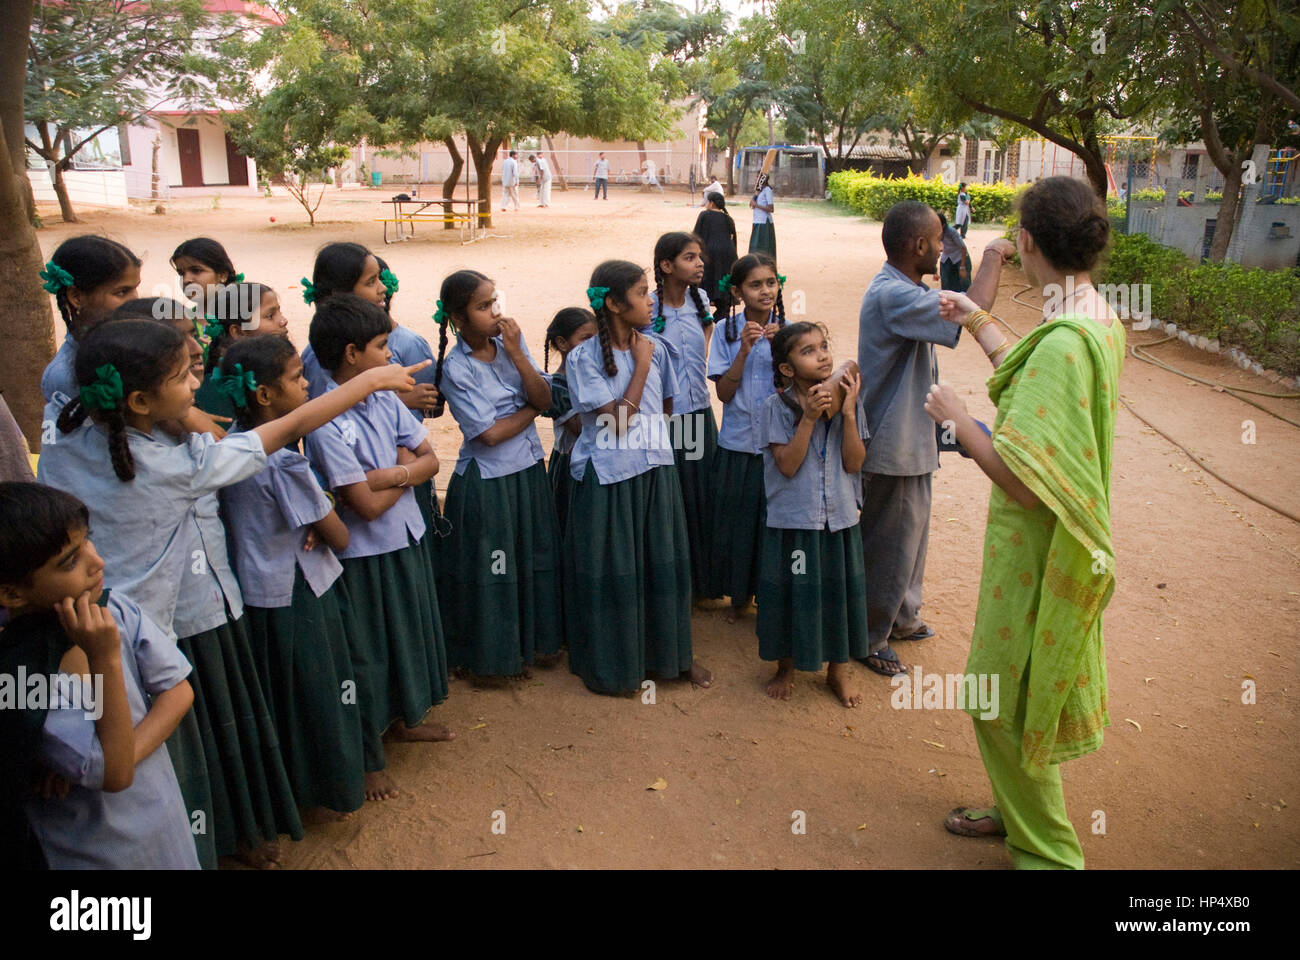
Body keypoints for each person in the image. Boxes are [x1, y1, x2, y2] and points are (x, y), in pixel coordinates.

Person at [37, 315, 427, 864]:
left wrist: (188, 414)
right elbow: (280, 433)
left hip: (86, 634)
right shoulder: (168, 467)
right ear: (142, 402)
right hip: (125, 642)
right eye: (182, 376)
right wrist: (365, 384)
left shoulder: (70, 421)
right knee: (138, 778)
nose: (197, 384)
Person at [924, 175, 1123, 869]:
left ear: (1028, 242)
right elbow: (1031, 376)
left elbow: (1026, 483)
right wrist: (977, 320)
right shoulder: (1093, 318)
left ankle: (1050, 853)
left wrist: (959, 425)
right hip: (1054, 541)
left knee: (999, 695)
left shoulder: (1066, 344)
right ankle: (1016, 812)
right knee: (1015, 689)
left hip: (1039, 544)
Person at [0, 482, 199, 870]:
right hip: (95, 852)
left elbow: (179, 692)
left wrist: (110, 762)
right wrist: (104, 659)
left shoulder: (114, 608)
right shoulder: (21, 676)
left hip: (162, 822)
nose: (97, 562)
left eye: (87, 542)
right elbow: (117, 773)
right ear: (12, 593)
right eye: (69, 561)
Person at [854, 201, 1015, 678]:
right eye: (939, 238)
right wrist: (991, 256)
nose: (944, 246)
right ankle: (868, 635)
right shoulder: (893, 294)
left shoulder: (906, 288)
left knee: (911, 536)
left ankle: (902, 617)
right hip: (892, 441)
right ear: (918, 245)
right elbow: (973, 312)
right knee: (889, 542)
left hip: (910, 437)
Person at [303, 294, 451, 802]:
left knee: (405, 637)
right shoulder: (323, 421)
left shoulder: (386, 398)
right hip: (363, 557)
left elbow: (430, 458)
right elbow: (362, 507)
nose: (391, 355)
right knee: (365, 657)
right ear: (350, 353)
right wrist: (407, 472)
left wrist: (391, 474)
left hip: (405, 537)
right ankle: (367, 758)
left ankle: (404, 720)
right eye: (382, 346)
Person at [216, 335, 367, 823]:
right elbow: (338, 537)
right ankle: (334, 788)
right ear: (265, 395)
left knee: (284, 697)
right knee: (322, 693)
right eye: (297, 379)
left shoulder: (231, 447)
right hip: (301, 592)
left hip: (258, 590)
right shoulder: (284, 461)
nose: (306, 385)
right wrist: (330, 507)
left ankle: (294, 794)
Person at [563, 260, 711, 694]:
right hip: (610, 477)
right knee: (617, 573)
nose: (650, 300)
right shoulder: (583, 359)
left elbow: (664, 411)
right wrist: (642, 364)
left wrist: (648, 358)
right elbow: (614, 424)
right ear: (613, 303)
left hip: (655, 468)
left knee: (664, 568)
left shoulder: (658, 347)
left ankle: (674, 659)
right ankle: (616, 666)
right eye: (642, 292)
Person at [430, 270, 563, 682]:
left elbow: (547, 397)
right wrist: (530, 412)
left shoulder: (511, 345)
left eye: (494, 303)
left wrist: (518, 356)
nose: (494, 313)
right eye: (482, 306)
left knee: (531, 557)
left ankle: (531, 647)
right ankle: (493, 658)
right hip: (488, 483)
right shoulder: (456, 369)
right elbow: (487, 435)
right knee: (494, 570)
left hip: (526, 471)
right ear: (457, 317)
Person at [756, 323, 869, 708]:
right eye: (808, 351)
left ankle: (838, 670)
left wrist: (849, 415)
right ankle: (786, 667)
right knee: (792, 593)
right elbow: (786, 465)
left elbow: (854, 463)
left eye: (824, 347)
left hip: (838, 520)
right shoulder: (774, 407)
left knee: (837, 593)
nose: (822, 355)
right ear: (787, 369)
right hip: (794, 524)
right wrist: (806, 418)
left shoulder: (846, 400)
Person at [707, 253, 786, 622]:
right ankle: (739, 595)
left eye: (771, 282)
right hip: (738, 444)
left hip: (777, 447)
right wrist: (744, 349)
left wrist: (783, 346)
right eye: (755, 285)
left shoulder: (792, 330)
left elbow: (797, 391)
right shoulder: (725, 331)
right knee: (739, 523)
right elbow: (723, 393)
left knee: (773, 523)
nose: (765, 291)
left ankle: (769, 594)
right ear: (738, 291)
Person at [649, 232, 719, 600]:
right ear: (666, 266)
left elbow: (705, 334)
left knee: (702, 494)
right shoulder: (645, 307)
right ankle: (675, 583)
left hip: (699, 413)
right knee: (673, 498)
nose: (700, 263)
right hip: (667, 419)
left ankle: (703, 580)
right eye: (690, 257)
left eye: (699, 256)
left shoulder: (701, 300)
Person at [39, 235, 142, 404]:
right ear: (76, 297)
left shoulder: (132, 344)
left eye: (135, 288)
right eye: (122, 292)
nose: (135, 300)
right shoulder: (64, 375)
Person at [193, 282, 289, 422]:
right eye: (270, 316)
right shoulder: (219, 391)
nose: (283, 321)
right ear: (238, 332)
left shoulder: (273, 367)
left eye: (279, 312)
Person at [541, 307, 597, 533]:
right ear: (562, 343)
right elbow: (582, 429)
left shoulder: (594, 376)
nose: (593, 346)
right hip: (570, 464)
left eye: (596, 338)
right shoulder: (557, 386)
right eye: (585, 339)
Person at [692, 192, 738, 320]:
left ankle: (703, 314)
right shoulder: (728, 218)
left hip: (709, 252)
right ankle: (721, 314)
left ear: (711, 203)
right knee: (722, 282)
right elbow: (733, 241)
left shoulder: (704, 215)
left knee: (707, 280)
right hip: (728, 254)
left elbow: (696, 236)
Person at [171, 237, 241, 314]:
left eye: (196, 270)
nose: (186, 280)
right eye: (181, 273)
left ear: (222, 275)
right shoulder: (182, 322)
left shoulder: (245, 317)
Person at [936, 211, 972, 293]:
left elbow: (963, 248)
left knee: (964, 284)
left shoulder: (951, 232)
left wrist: (962, 267)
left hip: (959, 258)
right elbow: (936, 249)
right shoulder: (935, 233)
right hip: (946, 258)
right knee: (946, 284)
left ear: (943, 225)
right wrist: (935, 271)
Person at [748, 172, 776, 258]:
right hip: (757, 220)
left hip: (764, 222)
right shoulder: (758, 191)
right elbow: (751, 205)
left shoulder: (767, 190)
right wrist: (755, 195)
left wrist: (757, 205)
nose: (756, 180)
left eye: (758, 178)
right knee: (755, 246)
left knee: (763, 247)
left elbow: (771, 209)